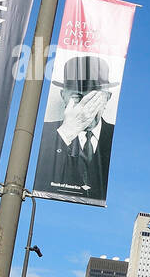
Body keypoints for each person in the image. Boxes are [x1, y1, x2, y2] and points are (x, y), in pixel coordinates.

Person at [33, 55, 118, 203]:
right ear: (63, 95)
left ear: (107, 97)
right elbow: (42, 173)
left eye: (93, 98)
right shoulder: (48, 134)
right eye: (77, 97)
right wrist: (67, 132)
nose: (84, 107)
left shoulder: (116, 139)